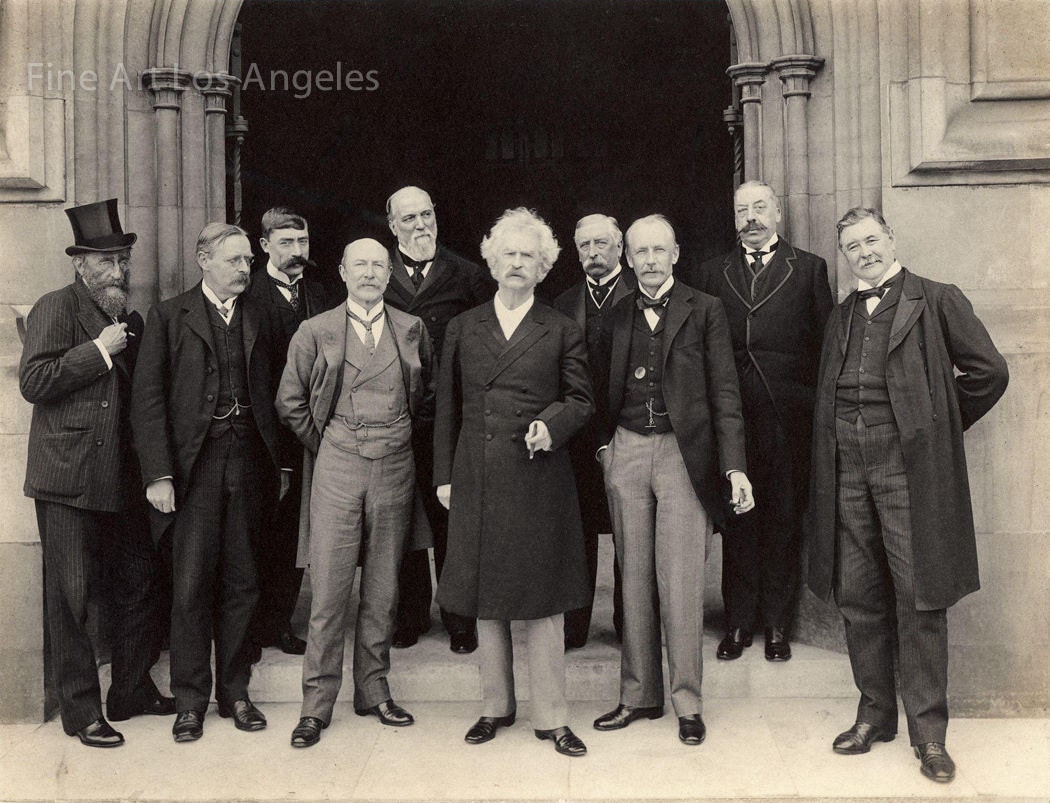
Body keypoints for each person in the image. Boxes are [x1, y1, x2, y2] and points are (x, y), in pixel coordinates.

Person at [807, 207, 1008, 783]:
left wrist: (932, 427)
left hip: (906, 468)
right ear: (844, 255)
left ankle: (930, 735)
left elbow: (989, 372)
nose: (864, 252)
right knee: (858, 594)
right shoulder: (842, 313)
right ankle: (875, 714)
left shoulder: (937, 299)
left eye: (872, 240)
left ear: (891, 239)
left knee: (920, 596)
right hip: (846, 465)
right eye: (852, 246)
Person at [434, 208, 594, 757]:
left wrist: (549, 427)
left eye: (529, 255)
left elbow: (581, 400)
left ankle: (552, 717)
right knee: (485, 594)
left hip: (538, 475)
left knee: (544, 596)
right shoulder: (463, 326)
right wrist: (442, 476)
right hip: (476, 474)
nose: (518, 263)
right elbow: (446, 408)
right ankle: (494, 707)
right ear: (492, 261)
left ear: (545, 266)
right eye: (509, 254)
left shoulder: (562, 327)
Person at [592, 214, 754, 746]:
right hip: (628, 449)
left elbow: (726, 393)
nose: (651, 260)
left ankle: (688, 701)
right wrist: (604, 447)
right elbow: (595, 387)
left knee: (682, 580)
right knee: (632, 576)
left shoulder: (705, 309)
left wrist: (732, 465)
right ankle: (638, 695)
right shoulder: (615, 315)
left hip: (686, 457)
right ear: (628, 257)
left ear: (676, 253)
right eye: (641, 251)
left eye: (659, 250)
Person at [19, 199, 174, 748]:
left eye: (123, 261)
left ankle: (130, 689)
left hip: (120, 479)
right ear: (80, 265)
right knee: (75, 596)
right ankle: (82, 712)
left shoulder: (126, 318)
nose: (118, 272)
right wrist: (99, 351)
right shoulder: (56, 308)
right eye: (106, 262)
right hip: (67, 480)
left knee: (139, 580)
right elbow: (34, 381)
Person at [275, 238, 436, 749]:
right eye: (359, 264)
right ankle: (315, 705)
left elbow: (426, 397)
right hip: (337, 464)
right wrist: (328, 444)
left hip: (395, 465)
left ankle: (374, 690)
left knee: (384, 587)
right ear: (342, 272)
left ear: (390, 274)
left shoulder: (411, 328)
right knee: (328, 590)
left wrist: (398, 436)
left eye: (378, 265)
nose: (369, 273)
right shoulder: (314, 330)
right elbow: (290, 401)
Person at [131, 223, 283, 743]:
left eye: (248, 261)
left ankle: (236, 693)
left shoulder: (260, 314)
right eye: (235, 260)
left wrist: (279, 465)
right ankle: (190, 701)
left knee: (244, 582)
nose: (246, 269)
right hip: (192, 469)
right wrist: (158, 474)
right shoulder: (170, 316)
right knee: (191, 584)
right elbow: (147, 401)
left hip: (249, 465)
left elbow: (274, 394)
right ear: (203, 260)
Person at [684, 181, 833, 662]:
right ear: (733, 219)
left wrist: (809, 408)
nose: (751, 217)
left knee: (784, 522)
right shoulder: (712, 272)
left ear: (778, 215)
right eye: (742, 210)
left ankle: (776, 625)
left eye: (760, 208)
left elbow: (824, 350)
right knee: (737, 520)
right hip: (733, 419)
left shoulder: (809, 269)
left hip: (788, 420)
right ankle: (738, 622)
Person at [384, 185, 492, 654]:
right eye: (408, 219)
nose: (420, 225)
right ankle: (409, 615)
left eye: (426, 214)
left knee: (453, 518)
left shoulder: (468, 274)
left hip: (450, 417)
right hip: (394, 418)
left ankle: (459, 617)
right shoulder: (376, 273)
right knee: (403, 517)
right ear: (392, 226)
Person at [244, 207, 330, 658]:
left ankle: (279, 621)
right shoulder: (249, 296)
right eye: (286, 244)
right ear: (264, 247)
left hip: (309, 436)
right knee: (259, 535)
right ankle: (252, 627)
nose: (297, 252)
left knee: (294, 536)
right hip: (261, 437)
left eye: (303, 242)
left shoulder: (319, 294)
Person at [553, 213, 636, 648]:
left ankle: (630, 624)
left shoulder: (642, 295)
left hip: (629, 430)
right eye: (585, 246)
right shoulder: (565, 302)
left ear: (620, 247)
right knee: (578, 530)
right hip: (579, 437)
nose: (593, 253)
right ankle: (575, 626)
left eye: (602, 244)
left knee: (631, 530)